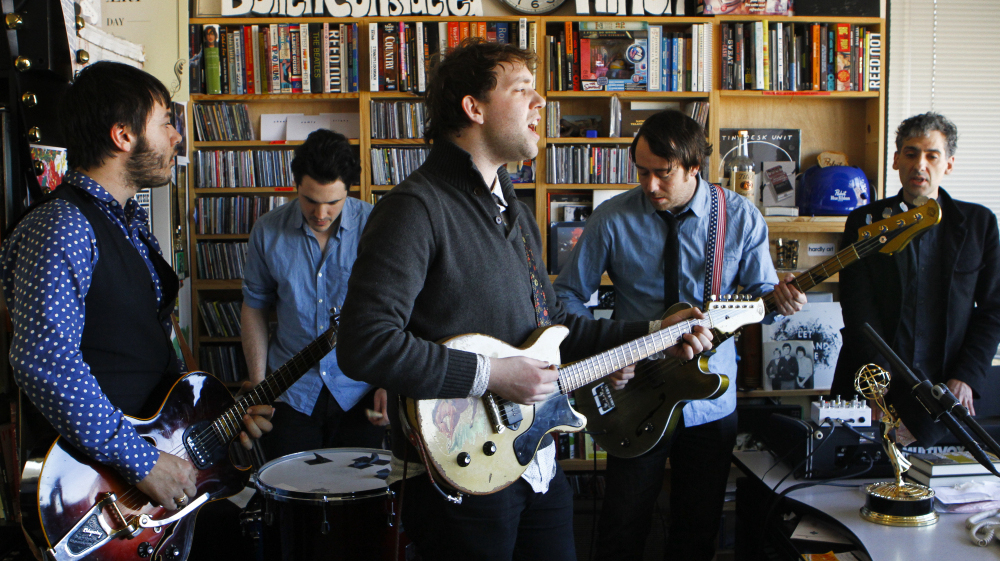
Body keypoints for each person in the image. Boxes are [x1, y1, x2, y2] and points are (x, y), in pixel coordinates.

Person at [336, 39, 713, 561]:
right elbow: (364, 344)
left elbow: (556, 328)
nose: (541, 103)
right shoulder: (414, 208)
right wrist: (491, 375)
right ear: (474, 108)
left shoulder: (511, 208)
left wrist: (655, 334)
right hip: (459, 474)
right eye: (522, 90)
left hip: (535, 462)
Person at [1, 62, 273, 513]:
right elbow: (44, 361)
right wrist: (142, 461)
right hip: (98, 495)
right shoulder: (63, 225)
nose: (176, 136)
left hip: (150, 481)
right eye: (166, 122)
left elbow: (141, 351)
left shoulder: (130, 223)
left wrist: (213, 419)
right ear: (123, 136)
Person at [553, 109, 807, 561]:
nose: (649, 185)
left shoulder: (740, 218)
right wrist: (609, 354)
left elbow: (760, 306)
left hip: (710, 403)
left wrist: (780, 303)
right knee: (621, 528)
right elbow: (566, 297)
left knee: (697, 532)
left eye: (663, 173)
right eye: (642, 172)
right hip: (634, 395)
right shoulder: (611, 218)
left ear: (694, 167)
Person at [831, 112, 1000, 444]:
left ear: (948, 164)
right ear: (896, 160)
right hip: (874, 385)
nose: (919, 165)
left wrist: (966, 376)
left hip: (949, 391)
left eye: (932, 155)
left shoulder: (979, 224)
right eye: (911, 153)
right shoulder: (864, 221)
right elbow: (856, 304)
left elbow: (994, 310)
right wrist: (877, 378)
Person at [241, 128, 388, 461]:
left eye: (333, 202)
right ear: (296, 186)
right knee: (289, 488)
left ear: (349, 190)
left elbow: (396, 309)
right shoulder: (267, 230)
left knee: (358, 488)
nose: (321, 214)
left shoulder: (376, 226)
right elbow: (255, 307)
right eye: (310, 200)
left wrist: (389, 383)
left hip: (360, 390)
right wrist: (260, 385)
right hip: (289, 392)